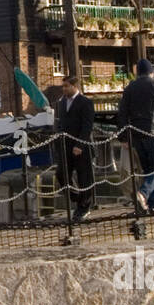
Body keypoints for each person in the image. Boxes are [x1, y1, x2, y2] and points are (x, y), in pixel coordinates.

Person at [117, 59, 154, 214]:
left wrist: (123, 137)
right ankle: (143, 193)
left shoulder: (129, 88)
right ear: (152, 72)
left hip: (136, 135)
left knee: (148, 170)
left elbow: (122, 114)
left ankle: (152, 206)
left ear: (137, 72)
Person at [54, 75, 96, 218]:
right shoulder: (61, 103)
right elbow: (60, 123)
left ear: (74, 86)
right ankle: (77, 196)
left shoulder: (85, 103)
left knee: (84, 176)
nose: (64, 89)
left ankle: (83, 207)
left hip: (80, 146)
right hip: (65, 145)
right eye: (63, 86)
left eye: (66, 86)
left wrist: (80, 144)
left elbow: (87, 126)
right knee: (61, 174)